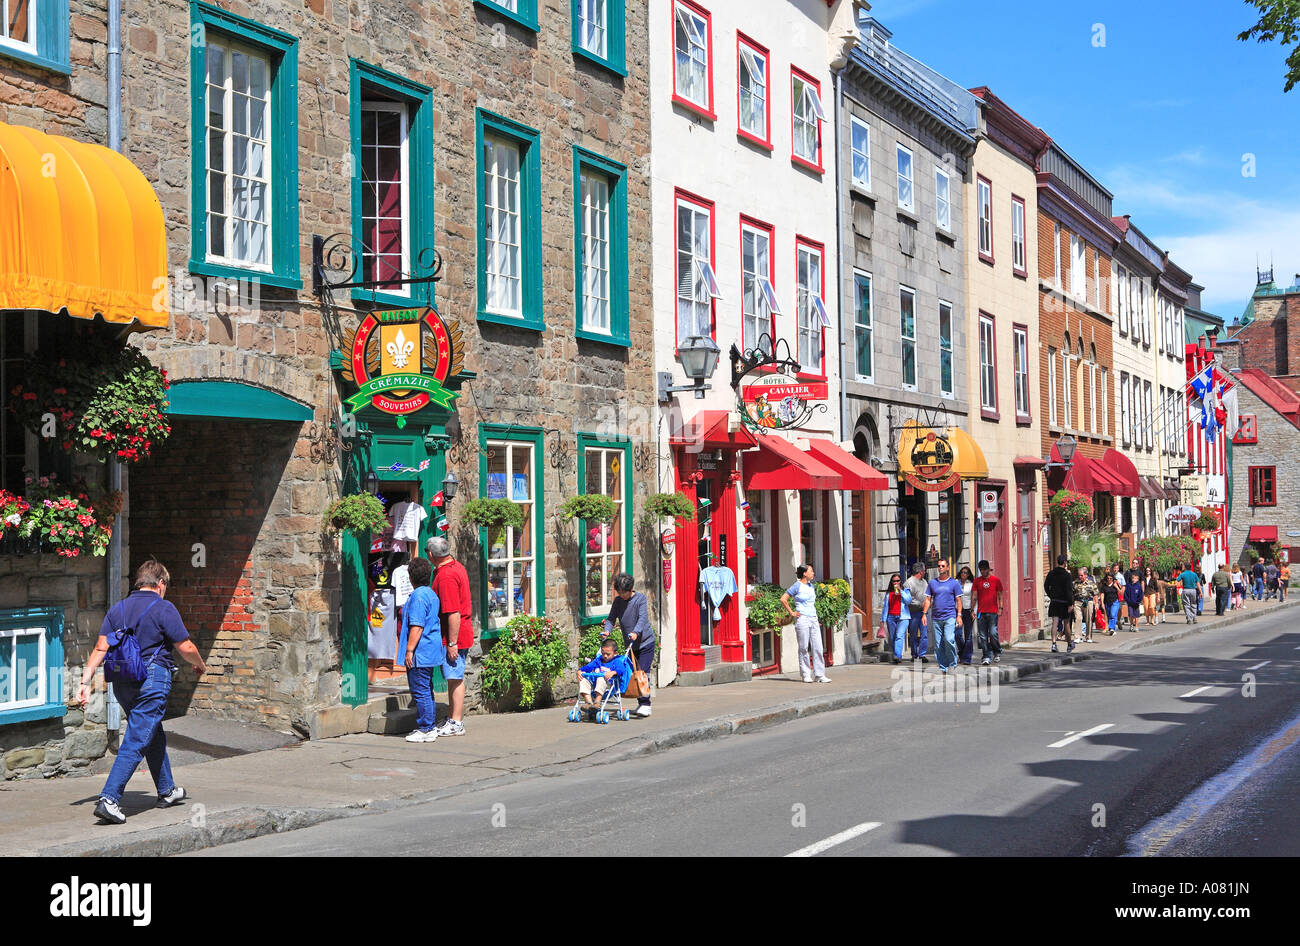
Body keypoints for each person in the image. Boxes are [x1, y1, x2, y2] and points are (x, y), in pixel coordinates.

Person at [78, 559, 207, 825]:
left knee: (151, 731)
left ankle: (167, 790)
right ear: (160, 584)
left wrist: (85, 680)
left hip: (122, 683)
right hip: (152, 678)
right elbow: (185, 647)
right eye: (165, 586)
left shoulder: (118, 609)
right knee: (138, 737)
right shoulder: (163, 608)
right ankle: (109, 799)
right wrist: (200, 664)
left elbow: (101, 648)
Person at [427, 536, 473, 736]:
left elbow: (453, 612)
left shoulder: (445, 576)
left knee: (454, 677)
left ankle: (456, 721)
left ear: (430, 555)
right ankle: (453, 718)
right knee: (453, 677)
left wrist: (452, 642)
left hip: (455, 635)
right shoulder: (456, 566)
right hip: (459, 632)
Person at [398, 558, 444, 743]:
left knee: (420, 689)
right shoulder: (431, 594)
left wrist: (409, 650)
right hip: (431, 648)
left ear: (411, 577)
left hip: (421, 651)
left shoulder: (418, 596)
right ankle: (428, 725)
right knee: (426, 688)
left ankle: (426, 728)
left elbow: (417, 626)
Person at [603, 572, 654, 717]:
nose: (621, 595)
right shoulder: (618, 601)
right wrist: (607, 631)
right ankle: (641, 702)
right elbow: (611, 618)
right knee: (631, 674)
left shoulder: (640, 599)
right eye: (618, 592)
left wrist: (636, 631)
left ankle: (646, 704)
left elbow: (642, 618)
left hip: (645, 643)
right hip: (631, 645)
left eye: (623, 592)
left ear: (630, 589)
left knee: (642, 673)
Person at [782, 564, 829, 683]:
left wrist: (816, 620)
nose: (813, 573)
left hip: (813, 618)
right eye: (811, 571)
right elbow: (783, 598)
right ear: (804, 573)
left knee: (818, 647)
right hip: (802, 618)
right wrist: (792, 612)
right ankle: (805, 674)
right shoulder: (797, 586)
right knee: (803, 647)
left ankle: (819, 674)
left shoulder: (811, 586)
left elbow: (811, 604)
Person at [923, 558, 964, 674]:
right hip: (936, 618)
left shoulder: (954, 583)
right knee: (938, 644)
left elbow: (959, 600)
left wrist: (959, 615)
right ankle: (943, 666)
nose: (940, 568)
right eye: (939, 566)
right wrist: (924, 614)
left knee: (949, 639)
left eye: (942, 566)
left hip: (950, 616)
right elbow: (927, 599)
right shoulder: (932, 583)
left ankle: (952, 663)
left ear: (948, 567)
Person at [578, 637, 632, 707]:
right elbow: (588, 667)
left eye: (608, 654)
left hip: (608, 686)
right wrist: (580, 671)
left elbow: (621, 669)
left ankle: (597, 702)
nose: (605, 656)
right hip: (594, 686)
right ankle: (589, 703)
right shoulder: (598, 660)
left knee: (601, 678)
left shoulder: (617, 661)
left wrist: (613, 672)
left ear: (615, 653)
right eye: (603, 653)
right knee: (583, 680)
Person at [972, 560, 1004, 665]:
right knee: (983, 636)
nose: (982, 572)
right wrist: (972, 609)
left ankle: (997, 650)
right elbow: (974, 596)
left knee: (993, 633)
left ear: (988, 569)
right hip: (981, 612)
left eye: (984, 570)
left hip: (993, 612)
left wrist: (1001, 608)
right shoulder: (977, 581)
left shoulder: (996, 580)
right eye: (980, 570)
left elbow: (1000, 595)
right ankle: (986, 655)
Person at [1044, 555, 1076, 653]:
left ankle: (1053, 644)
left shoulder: (1051, 573)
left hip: (1055, 601)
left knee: (1055, 623)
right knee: (1066, 623)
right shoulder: (1067, 575)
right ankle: (1069, 644)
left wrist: (1051, 596)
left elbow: (1046, 586)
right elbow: (1069, 591)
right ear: (1065, 562)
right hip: (1064, 602)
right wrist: (1071, 603)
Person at [903, 562, 930, 663]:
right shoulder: (909, 583)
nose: (925, 572)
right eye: (924, 570)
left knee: (924, 633)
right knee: (913, 634)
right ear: (920, 571)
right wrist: (919, 604)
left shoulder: (924, 582)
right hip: (913, 613)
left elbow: (928, 594)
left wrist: (928, 603)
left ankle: (922, 654)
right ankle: (914, 654)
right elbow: (907, 599)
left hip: (924, 612)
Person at [879, 574, 908, 665]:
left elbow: (909, 600)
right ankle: (897, 655)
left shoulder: (905, 590)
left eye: (897, 581)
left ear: (900, 581)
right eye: (894, 581)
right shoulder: (888, 594)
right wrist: (882, 620)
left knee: (899, 636)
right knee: (892, 638)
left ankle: (897, 656)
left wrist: (901, 591)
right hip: (891, 617)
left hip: (902, 617)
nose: (896, 583)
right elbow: (885, 607)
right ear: (891, 582)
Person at [955, 565, 976, 665]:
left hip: (968, 610)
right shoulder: (955, 582)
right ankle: (962, 652)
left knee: (968, 636)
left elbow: (974, 598)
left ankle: (967, 658)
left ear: (968, 575)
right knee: (957, 634)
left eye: (966, 572)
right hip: (957, 611)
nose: (964, 574)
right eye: (962, 572)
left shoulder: (971, 584)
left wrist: (973, 611)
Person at [1074, 567, 1098, 643]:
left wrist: (1096, 603)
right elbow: (1072, 593)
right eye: (1079, 575)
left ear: (1085, 575)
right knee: (1078, 618)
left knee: (1088, 619)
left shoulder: (1091, 583)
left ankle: (1088, 637)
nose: (1080, 577)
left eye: (1081, 575)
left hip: (1088, 602)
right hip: (1077, 602)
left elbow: (1096, 594)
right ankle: (1078, 637)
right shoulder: (1075, 583)